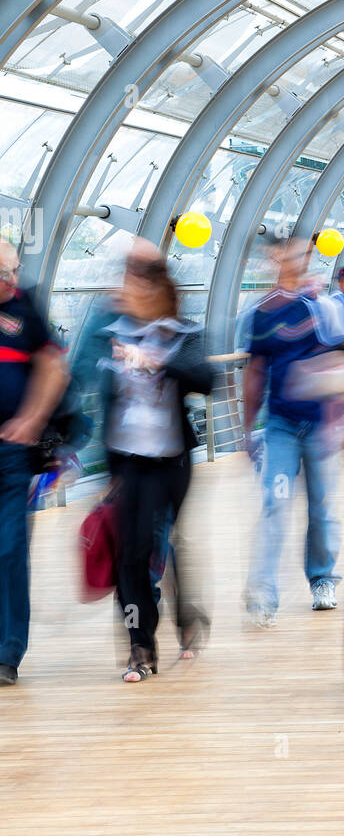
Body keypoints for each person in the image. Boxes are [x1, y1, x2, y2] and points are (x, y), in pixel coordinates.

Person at [80, 240, 213, 682]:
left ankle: (187, 613)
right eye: (127, 283)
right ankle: (141, 647)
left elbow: (207, 379)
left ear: (158, 290)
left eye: (139, 285)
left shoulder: (183, 333)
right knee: (131, 554)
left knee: (165, 541)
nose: (129, 294)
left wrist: (157, 360)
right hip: (129, 462)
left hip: (170, 462)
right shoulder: (111, 331)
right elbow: (94, 390)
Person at [244, 237, 344, 623]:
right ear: (276, 258)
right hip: (280, 427)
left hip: (319, 425)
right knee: (275, 504)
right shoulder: (261, 313)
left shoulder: (322, 308)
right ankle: (265, 595)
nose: (299, 260)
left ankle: (322, 578)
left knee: (322, 508)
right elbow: (255, 371)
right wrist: (246, 428)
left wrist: (339, 419)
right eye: (292, 253)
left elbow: (341, 359)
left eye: (305, 254)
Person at [0, 239, 68, 687]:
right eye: (2, 273)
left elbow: (53, 367)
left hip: (11, 453)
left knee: (8, 546)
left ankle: (7, 652)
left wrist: (32, 418)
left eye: (14, 270)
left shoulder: (28, 307)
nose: (10, 281)